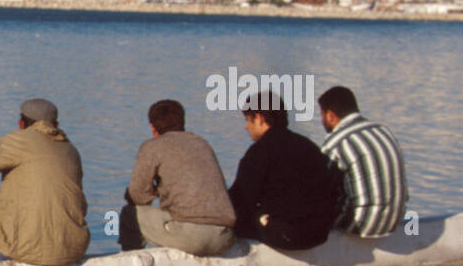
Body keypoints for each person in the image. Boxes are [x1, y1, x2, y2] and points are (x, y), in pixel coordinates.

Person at [0, 98, 88, 266]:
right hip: (74, 248)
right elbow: (80, 204)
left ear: (20, 123)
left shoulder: (19, 140)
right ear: (56, 124)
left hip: (27, 249)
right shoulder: (71, 150)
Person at [227, 91, 344, 250]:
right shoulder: (308, 146)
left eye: (249, 120)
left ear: (260, 118)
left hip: (290, 235)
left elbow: (240, 199)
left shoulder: (259, 152)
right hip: (320, 232)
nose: (247, 127)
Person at [120, 99, 236, 256]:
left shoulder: (153, 146)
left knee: (129, 215)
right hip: (224, 236)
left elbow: (138, 196)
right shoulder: (202, 143)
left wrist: (148, 192)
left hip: (193, 237)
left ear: (153, 127)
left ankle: (131, 265)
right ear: (182, 122)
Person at [318, 86, 408, 239]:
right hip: (394, 220)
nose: (321, 120)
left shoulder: (336, 142)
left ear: (331, 115)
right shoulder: (383, 130)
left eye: (322, 115)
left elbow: (320, 188)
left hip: (361, 225)